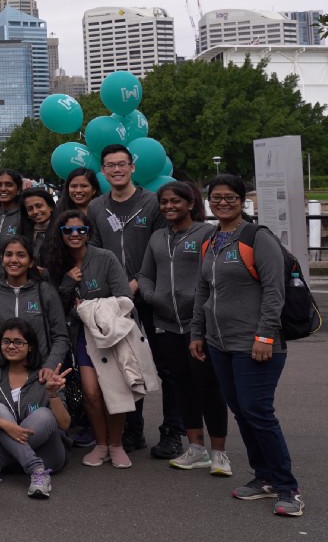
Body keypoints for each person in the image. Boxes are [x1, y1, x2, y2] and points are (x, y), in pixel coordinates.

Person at [190, 175, 303, 517]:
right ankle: (264, 477)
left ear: (242, 201)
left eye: (230, 198)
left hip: (255, 343)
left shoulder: (258, 238)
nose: (222, 203)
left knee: (258, 412)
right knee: (242, 411)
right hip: (218, 343)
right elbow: (203, 291)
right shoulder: (211, 240)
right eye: (216, 198)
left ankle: (288, 488)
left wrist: (265, 336)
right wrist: (197, 332)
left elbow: (274, 292)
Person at [138, 181, 228, 474]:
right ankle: (196, 448)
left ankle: (219, 453)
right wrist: (152, 297)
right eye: (164, 202)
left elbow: (216, 273)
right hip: (166, 324)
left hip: (198, 324)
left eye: (176, 201)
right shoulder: (157, 238)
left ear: (191, 204)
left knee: (207, 386)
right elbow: (145, 274)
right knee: (181, 386)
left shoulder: (207, 233)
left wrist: (201, 306)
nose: (169, 207)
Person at [87, 144, 165, 455]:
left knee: (152, 364)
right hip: (110, 301)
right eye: (110, 165)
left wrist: (134, 284)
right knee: (119, 365)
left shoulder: (152, 203)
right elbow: (92, 249)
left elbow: (159, 249)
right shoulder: (96, 207)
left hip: (145, 294)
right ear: (103, 171)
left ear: (132, 167)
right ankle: (131, 430)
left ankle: (169, 429)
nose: (117, 170)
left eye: (122, 164)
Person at [44, 212, 133, 467]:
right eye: (68, 230)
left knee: (114, 392)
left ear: (88, 233)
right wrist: (67, 283)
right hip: (82, 336)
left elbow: (124, 297)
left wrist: (92, 306)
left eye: (80, 230)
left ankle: (116, 444)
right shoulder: (57, 263)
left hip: (110, 334)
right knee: (91, 393)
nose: (74, 235)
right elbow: (55, 307)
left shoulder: (105, 258)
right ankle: (101, 444)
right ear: (60, 234)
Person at [0, 318, 71, 499]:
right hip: (26, 459)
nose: (11, 346)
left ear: (30, 346)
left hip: (47, 456)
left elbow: (65, 424)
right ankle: (36, 471)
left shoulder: (45, 377)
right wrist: (7, 426)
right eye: (6, 341)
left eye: (18, 342)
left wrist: (52, 394)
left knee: (45, 415)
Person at [0, 237, 70, 375]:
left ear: (31, 262)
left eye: (21, 255)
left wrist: (50, 366)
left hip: (40, 373)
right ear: (2, 261)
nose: (14, 260)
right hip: (3, 374)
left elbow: (61, 337)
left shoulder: (45, 291)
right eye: (8, 255)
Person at [21, 187, 56, 255]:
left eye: (39, 206)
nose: (35, 211)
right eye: (30, 209)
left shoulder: (63, 230)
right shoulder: (23, 233)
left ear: (50, 206)